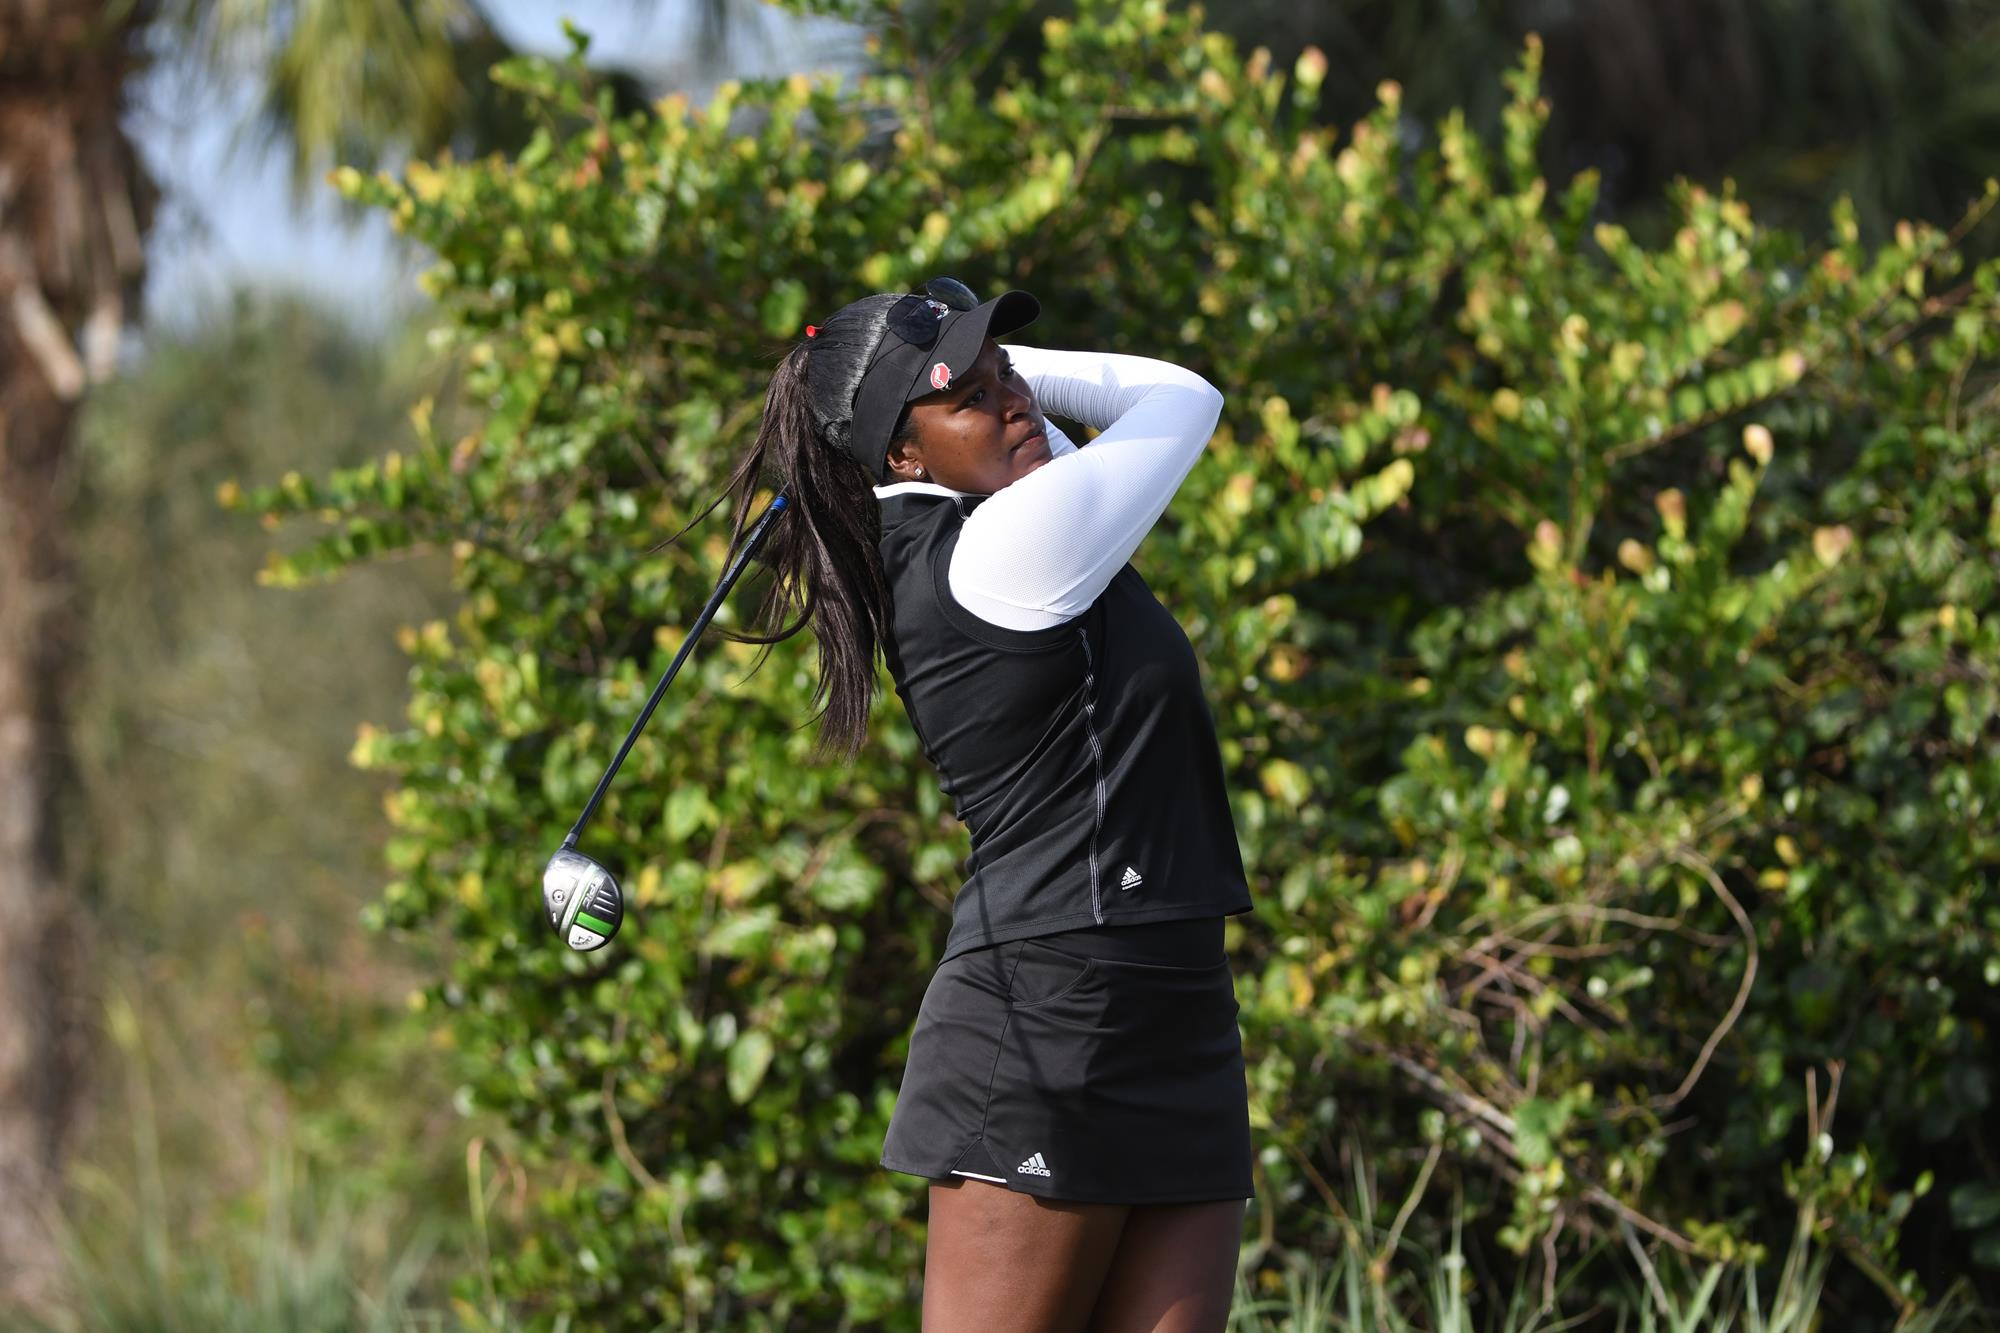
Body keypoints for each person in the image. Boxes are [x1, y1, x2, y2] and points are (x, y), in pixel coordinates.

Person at [722, 277, 1254, 1331]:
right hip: (1046, 1014)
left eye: (1005, 371)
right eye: (966, 394)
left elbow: (1050, 432)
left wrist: (980, 380)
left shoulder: (1007, 511)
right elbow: (1183, 398)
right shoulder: (1003, 547)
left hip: (1173, 997)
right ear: (902, 459)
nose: (1010, 400)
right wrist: (1004, 382)